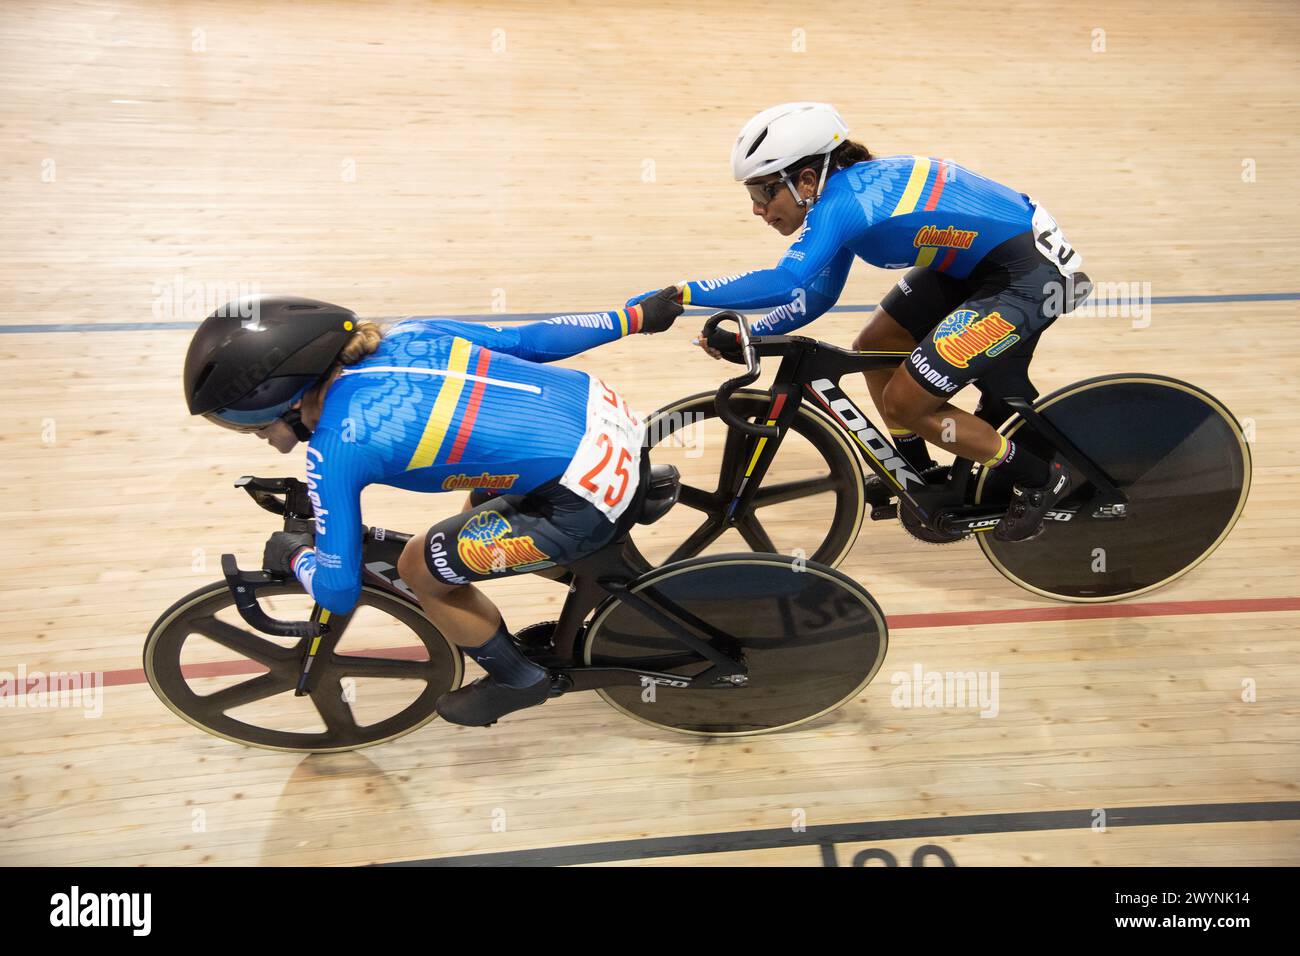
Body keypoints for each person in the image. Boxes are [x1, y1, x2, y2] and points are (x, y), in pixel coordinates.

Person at [184, 291, 682, 727]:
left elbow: (337, 591)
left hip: (580, 495)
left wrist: (297, 556)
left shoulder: (337, 445)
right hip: (614, 427)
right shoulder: (411, 333)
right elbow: (532, 340)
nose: (270, 445)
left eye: (258, 430)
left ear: (287, 399)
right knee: (471, 517)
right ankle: (594, 577)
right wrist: (632, 316)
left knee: (419, 567)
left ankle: (520, 679)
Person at [627, 102, 1092, 541]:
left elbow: (783, 278)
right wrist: (756, 333)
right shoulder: (842, 196)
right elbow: (814, 296)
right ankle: (916, 472)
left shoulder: (845, 203)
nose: (757, 208)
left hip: (1026, 277)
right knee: (877, 344)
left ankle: (1042, 478)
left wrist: (684, 294)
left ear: (806, 180)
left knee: (908, 403)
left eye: (764, 191)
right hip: (978, 267)